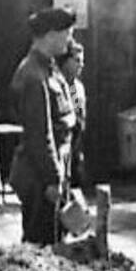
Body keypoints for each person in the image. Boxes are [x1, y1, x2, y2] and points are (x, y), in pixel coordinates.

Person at [8, 8, 78, 245]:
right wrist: (53, 179)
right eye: (66, 34)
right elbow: (40, 134)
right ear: (50, 35)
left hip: (52, 168)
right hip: (40, 176)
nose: (69, 40)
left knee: (56, 238)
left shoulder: (48, 69)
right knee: (42, 245)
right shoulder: (33, 75)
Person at [58, 36, 88, 186]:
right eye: (77, 60)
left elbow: (81, 116)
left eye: (82, 61)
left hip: (75, 145)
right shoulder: (57, 85)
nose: (81, 65)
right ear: (66, 62)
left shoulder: (78, 88)